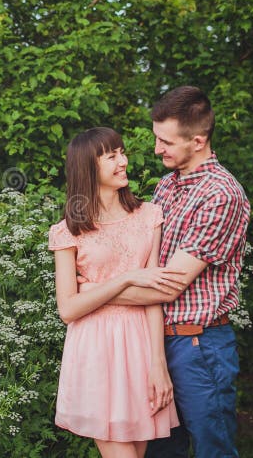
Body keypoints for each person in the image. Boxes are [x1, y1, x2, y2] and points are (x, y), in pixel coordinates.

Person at [108, 86, 250, 458]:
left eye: (166, 142)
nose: (157, 149)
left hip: (197, 346)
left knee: (211, 448)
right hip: (153, 341)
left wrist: (90, 295)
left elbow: (167, 286)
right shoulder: (167, 186)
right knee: (159, 450)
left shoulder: (221, 195)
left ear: (198, 140)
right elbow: (142, 262)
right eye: (157, 138)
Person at [48, 127, 185, 458]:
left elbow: (156, 295)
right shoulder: (68, 231)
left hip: (140, 347)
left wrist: (158, 364)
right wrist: (125, 280)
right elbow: (68, 309)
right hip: (95, 350)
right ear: (87, 168)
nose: (123, 161)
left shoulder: (149, 216)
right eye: (111, 157)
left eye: (122, 153)